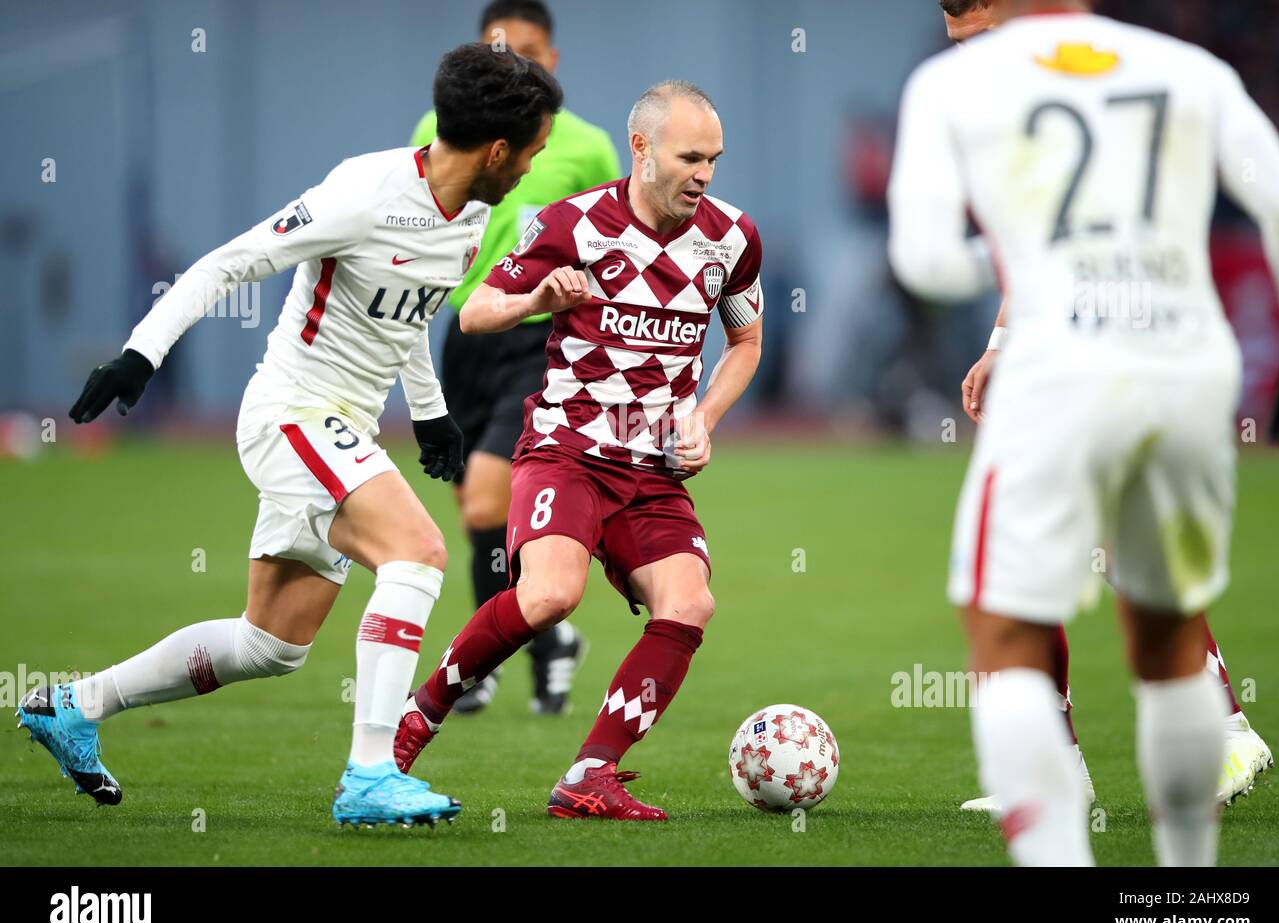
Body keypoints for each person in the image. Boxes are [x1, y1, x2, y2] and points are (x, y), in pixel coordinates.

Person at [18, 43, 562, 828]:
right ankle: (371, 775)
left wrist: (432, 410)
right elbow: (226, 264)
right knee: (418, 553)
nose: (532, 169)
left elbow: (402, 318)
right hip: (292, 414)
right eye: (533, 152)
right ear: (499, 149)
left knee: (270, 644)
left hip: (345, 429)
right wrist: (140, 354)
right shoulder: (362, 193)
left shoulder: (474, 218)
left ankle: (72, 705)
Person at [890, 0, 1279, 864]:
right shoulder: (1187, 70)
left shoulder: (951, 88)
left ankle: (1060, 826)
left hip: (1067, 367)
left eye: (979, 31)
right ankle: (1189, 873)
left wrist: (1026, 274)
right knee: (1164, 624)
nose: (975, 53)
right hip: (1188, 364)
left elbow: (925, 260)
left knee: (1001, 627)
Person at [393, 80, 765, 820]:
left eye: (714, 160)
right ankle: (415, 719)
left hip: (653, 472)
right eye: (690, 157)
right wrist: (537, 300)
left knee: (690, 605)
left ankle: (591, 770)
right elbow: (474, 312)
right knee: (549, 595)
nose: (705, 174)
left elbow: (746, 340)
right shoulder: (575, 224)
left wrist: (705, 418)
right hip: (567, 452)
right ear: (642, 148)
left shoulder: (732, 238)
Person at [408, 0, 621, 715]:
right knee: (480, 512)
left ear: (552, 60)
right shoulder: (441, 133)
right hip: (464, 335)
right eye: (498, 49)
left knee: (485, 502)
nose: (514, 62)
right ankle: (546, 643)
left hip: (537, 338)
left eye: (527, 50)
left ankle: (480, 658)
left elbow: (609, 247)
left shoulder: (585, 146)